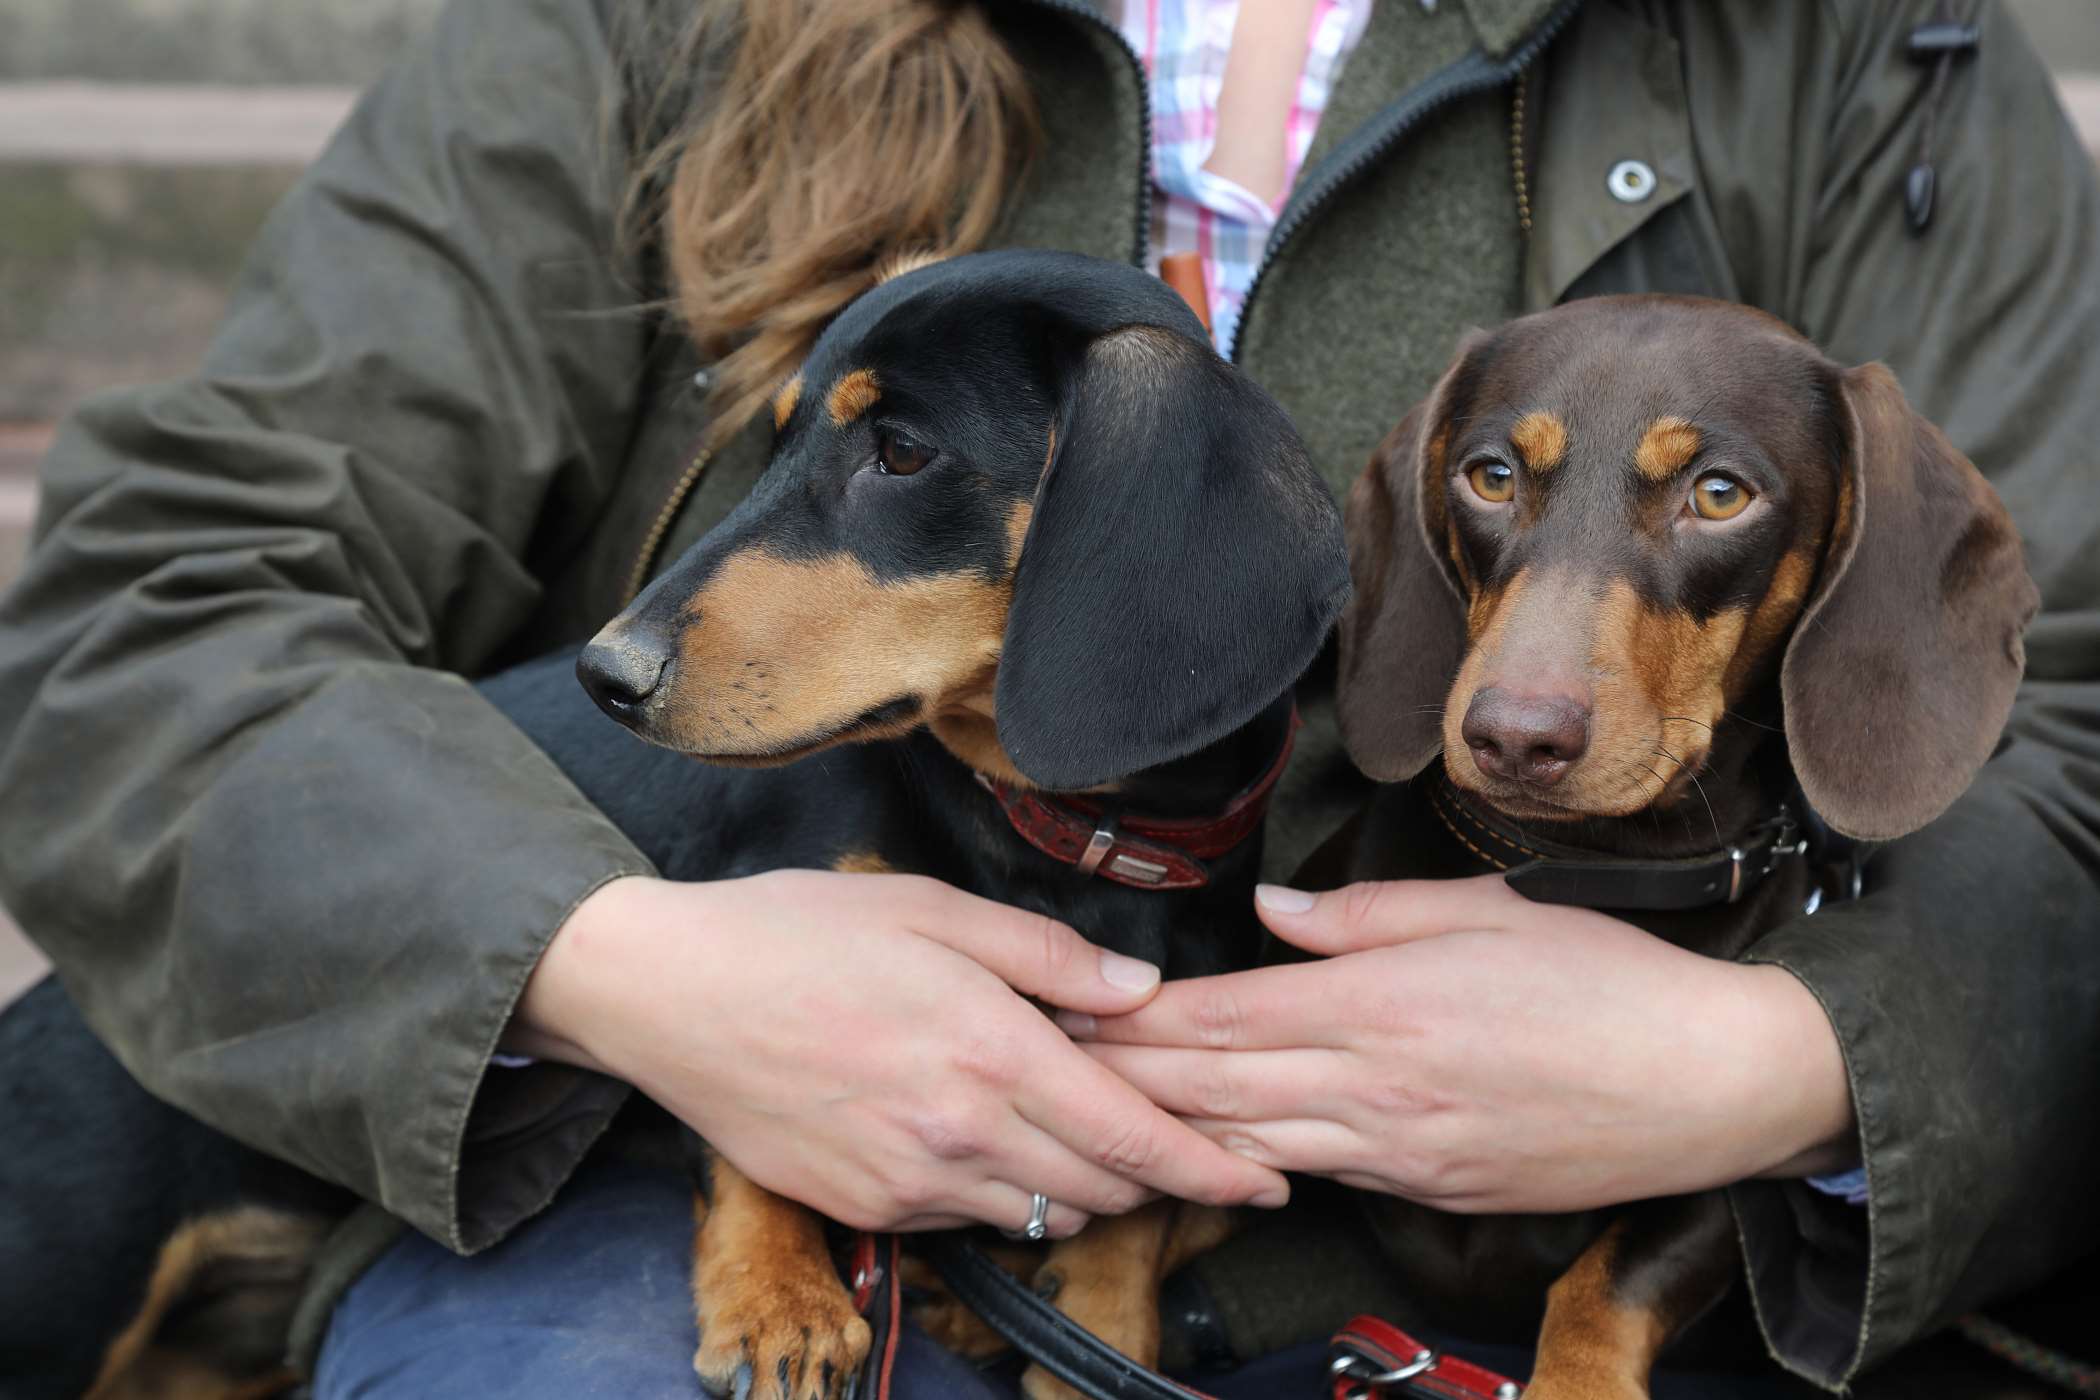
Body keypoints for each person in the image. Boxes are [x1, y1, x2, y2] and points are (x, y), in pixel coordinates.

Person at [0, 0, 2094, 1395]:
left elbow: (2066, 704)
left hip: (1606, 1273)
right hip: (710, 1208)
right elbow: (155, 613)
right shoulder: (666, 30)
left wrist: (1787, 1059)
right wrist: (620, 968)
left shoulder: (1850, 45)